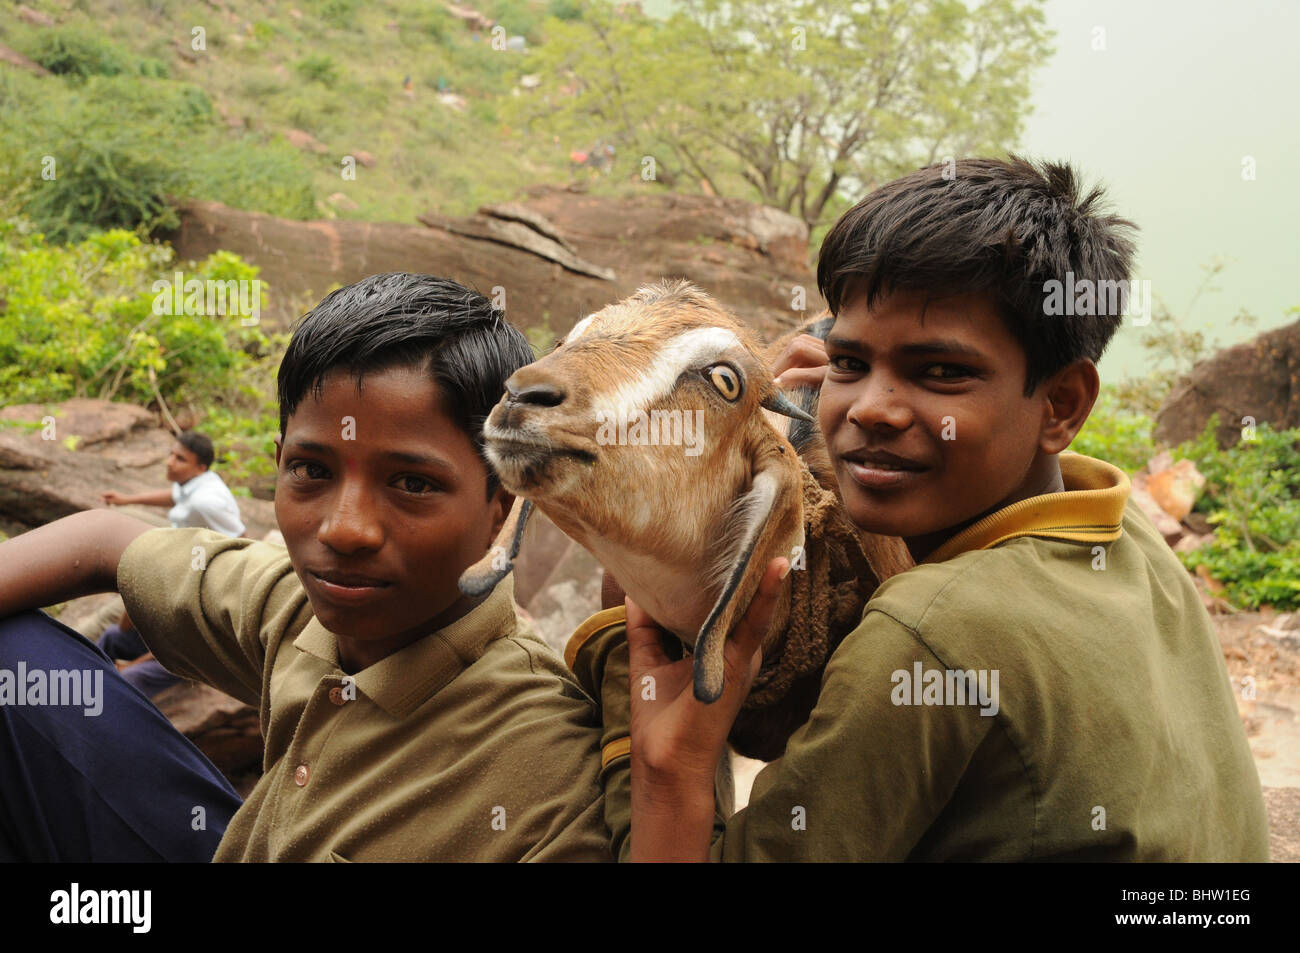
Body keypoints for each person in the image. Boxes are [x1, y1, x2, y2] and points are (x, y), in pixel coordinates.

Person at [570, 156, 1271, 861]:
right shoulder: (1122, 533)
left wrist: (653, 725)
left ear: (1061, 404)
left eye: (941, 371)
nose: (871, 408)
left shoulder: (936, 628)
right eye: (849, 364)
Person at [0, 273, 611, 862]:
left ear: (501, 505)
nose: (344, 529)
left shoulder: (547, 769)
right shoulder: (294, 613)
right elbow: (106, 540)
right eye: (313, 470)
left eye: (412, 483)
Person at [96, 430, 246, 696]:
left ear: (199, 468)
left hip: (192, 637)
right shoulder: (195, 485)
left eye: (179, 459)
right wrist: (125, 500)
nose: (169, 462)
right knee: (111, 636)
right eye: (171, 454)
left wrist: (126, 667)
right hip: (175, 565)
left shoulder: (207, 505)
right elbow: (176, 496)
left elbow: (241, 539)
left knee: (129, 679)